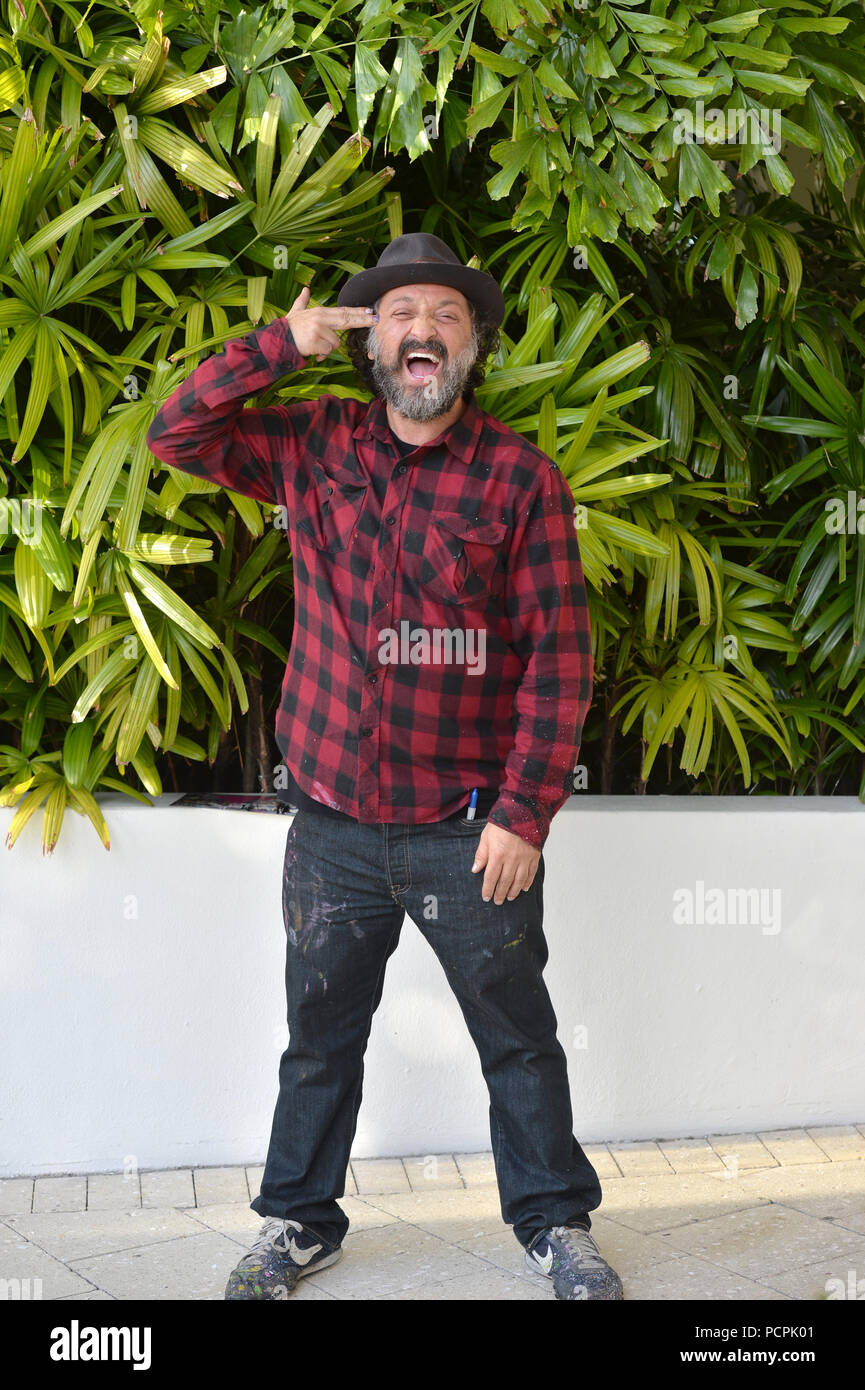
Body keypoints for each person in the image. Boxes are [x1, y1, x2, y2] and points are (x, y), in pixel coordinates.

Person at [146, 232, 623, 1301]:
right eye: (401, 313)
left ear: (471, 347)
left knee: (517, 1038)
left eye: (446, 316)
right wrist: (281, 343)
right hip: (331, 829)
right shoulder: (307, 444)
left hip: (468, 833)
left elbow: (559, 658)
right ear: (371, 344)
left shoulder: (520, 480)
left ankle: (555, 1225)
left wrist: (524, 813)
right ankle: (297, 1223)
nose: (423, 331)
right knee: (319, 1038)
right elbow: (173, 432)